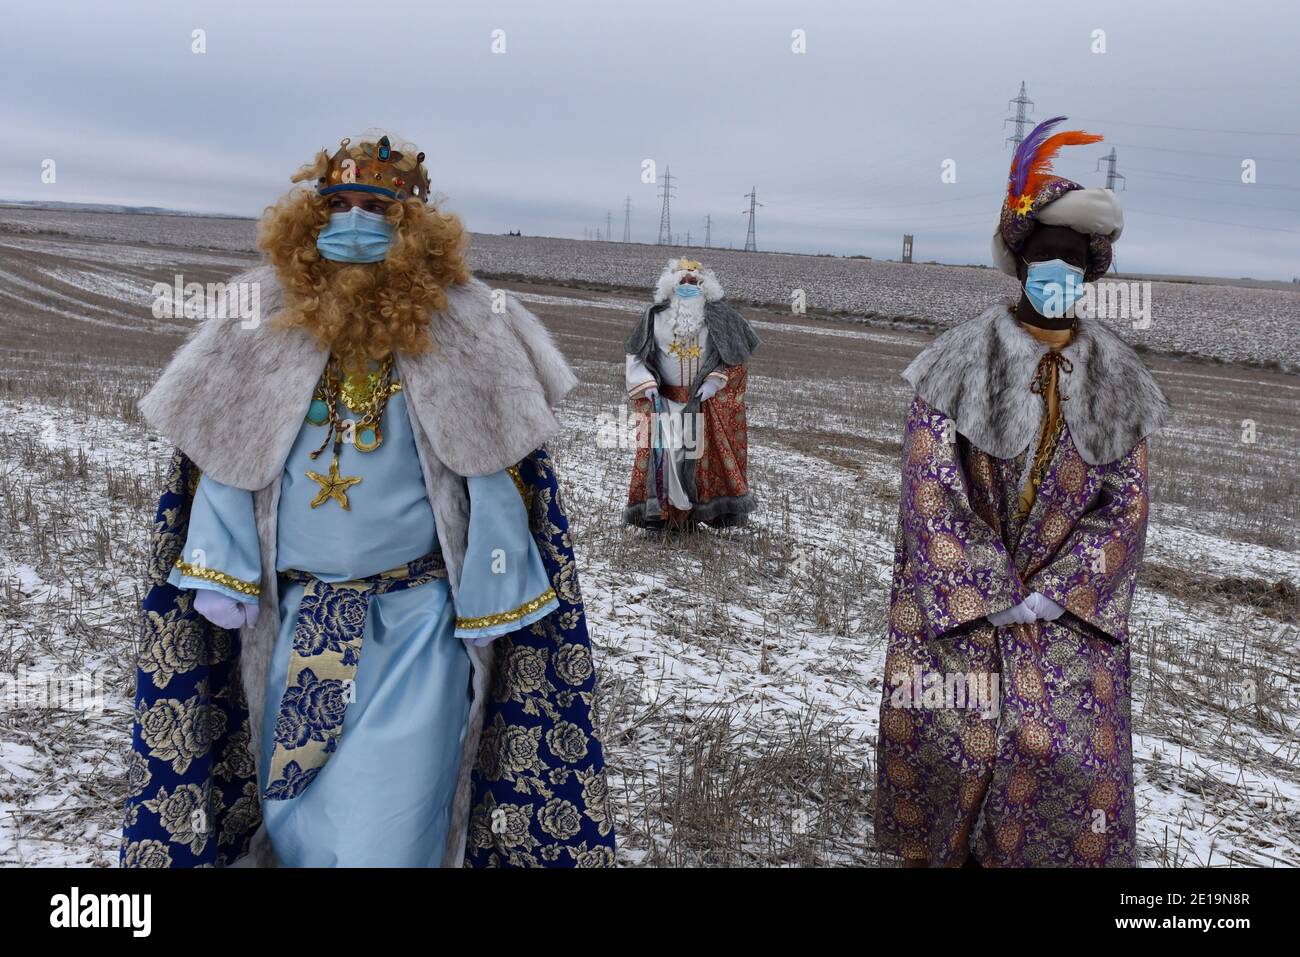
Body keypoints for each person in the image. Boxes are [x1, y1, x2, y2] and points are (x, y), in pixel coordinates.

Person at [120, 133, 615, 868]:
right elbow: (227, 456)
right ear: (309, 221)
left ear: (413, 224)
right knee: (300, 820)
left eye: (376, 207)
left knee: (388, 828)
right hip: (303, 623)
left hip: (418, 628)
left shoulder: (469, 322)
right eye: (338, 205)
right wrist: (219, 563)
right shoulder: (258, 318)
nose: (355, 221)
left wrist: (500, 581)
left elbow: (495, 477)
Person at [873, 117, 1169, 867]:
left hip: (1068, 614)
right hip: (965, 605)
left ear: (1093, 271)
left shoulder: (1118, 378)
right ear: (1021, 262)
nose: (1059, 273)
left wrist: (1053, 594)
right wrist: (990, 589)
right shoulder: (961, 358)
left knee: (1062, 752)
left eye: (1074, 260)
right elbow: (929, 484)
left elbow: (1127, 507)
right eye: (1045, 257)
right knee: (955, 734)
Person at [623, 258, 760, 531]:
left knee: (699, 460)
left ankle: (695, 515)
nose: (689, 286)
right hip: (665, 401)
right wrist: (646, 383)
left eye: (694, 282)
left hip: (702, 403)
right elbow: (636, 354)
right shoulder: (653, 317)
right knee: (668, 458)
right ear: (671, 286)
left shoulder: (721, 318)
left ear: (704, 285)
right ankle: (665, 517)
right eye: (683, 282)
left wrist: (714, 382)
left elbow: (733, 357)